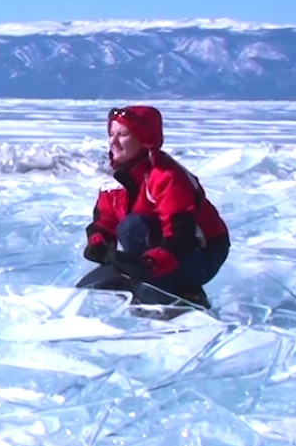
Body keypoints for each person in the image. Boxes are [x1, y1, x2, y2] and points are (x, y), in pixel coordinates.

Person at [77, 105, 231, 309]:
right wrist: (99, 243)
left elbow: (181, 235)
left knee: (133, 226)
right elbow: (104, 221)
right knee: (92, 286)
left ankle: (180, 296)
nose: (113, 141)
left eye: (123, 134)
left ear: (144, 140)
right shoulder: (116, 179)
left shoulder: (166, 176)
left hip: (199, 253)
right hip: (155, 253)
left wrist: (149, 265)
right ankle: (151, 286)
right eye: (111, 134)